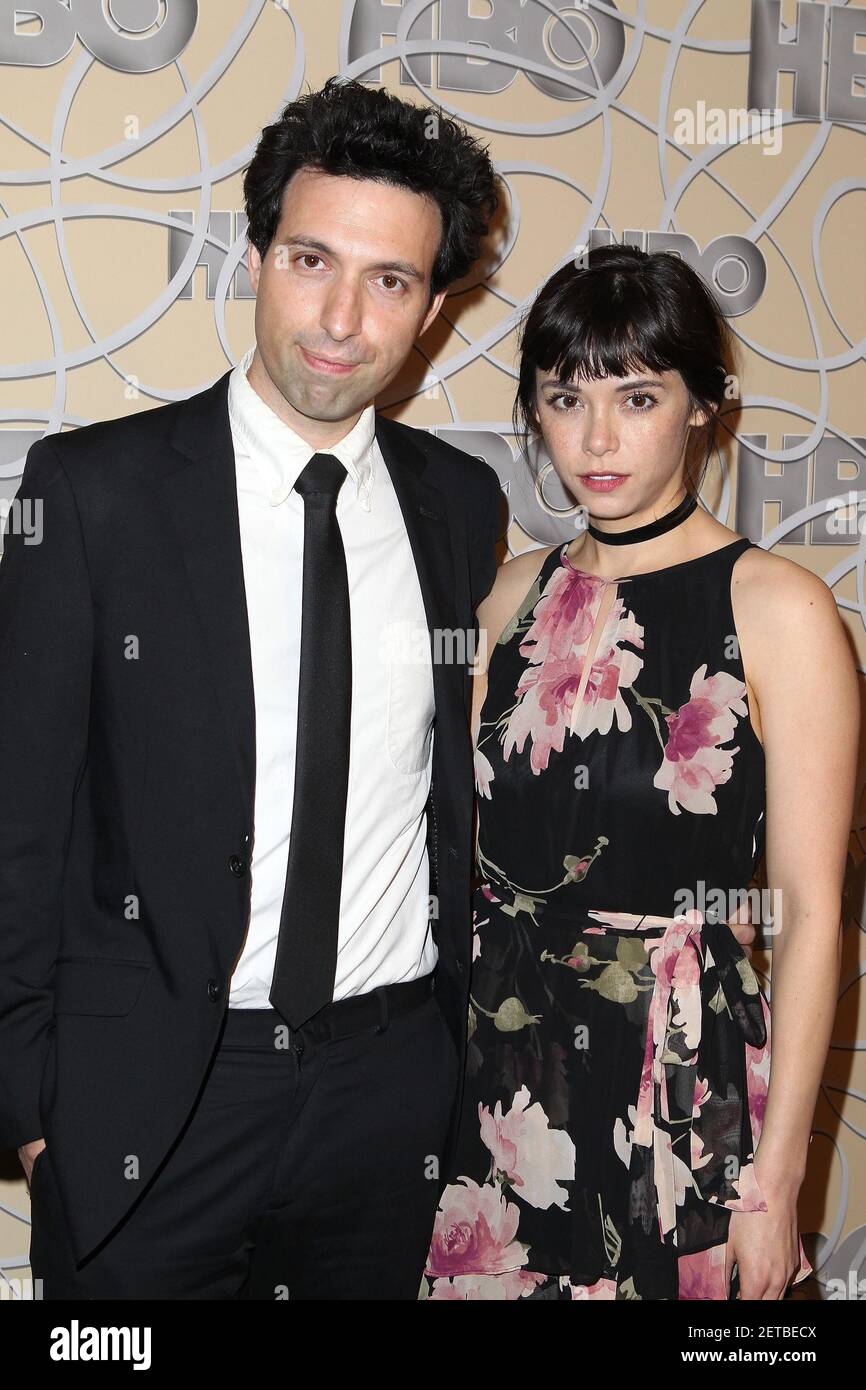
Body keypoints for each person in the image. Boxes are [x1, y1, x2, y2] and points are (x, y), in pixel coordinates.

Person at [0, 77, 503, 1300]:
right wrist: (29, 1104)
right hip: (152, 1092)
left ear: (433, 307)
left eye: (389, 280)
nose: (339, 317)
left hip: (384, 1088)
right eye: (309, 259)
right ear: (256, 254)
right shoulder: (90, 492)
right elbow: (15, 817)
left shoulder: (458, 504)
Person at [422, 244, 857, 1300]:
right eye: (566, 397)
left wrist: (777, 1175)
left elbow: (807, 916)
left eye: (638, 396)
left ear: (703, 407)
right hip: (497, 1078)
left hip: (679, 1084)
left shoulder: (776, 609)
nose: (597, 437)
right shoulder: (504, 599)